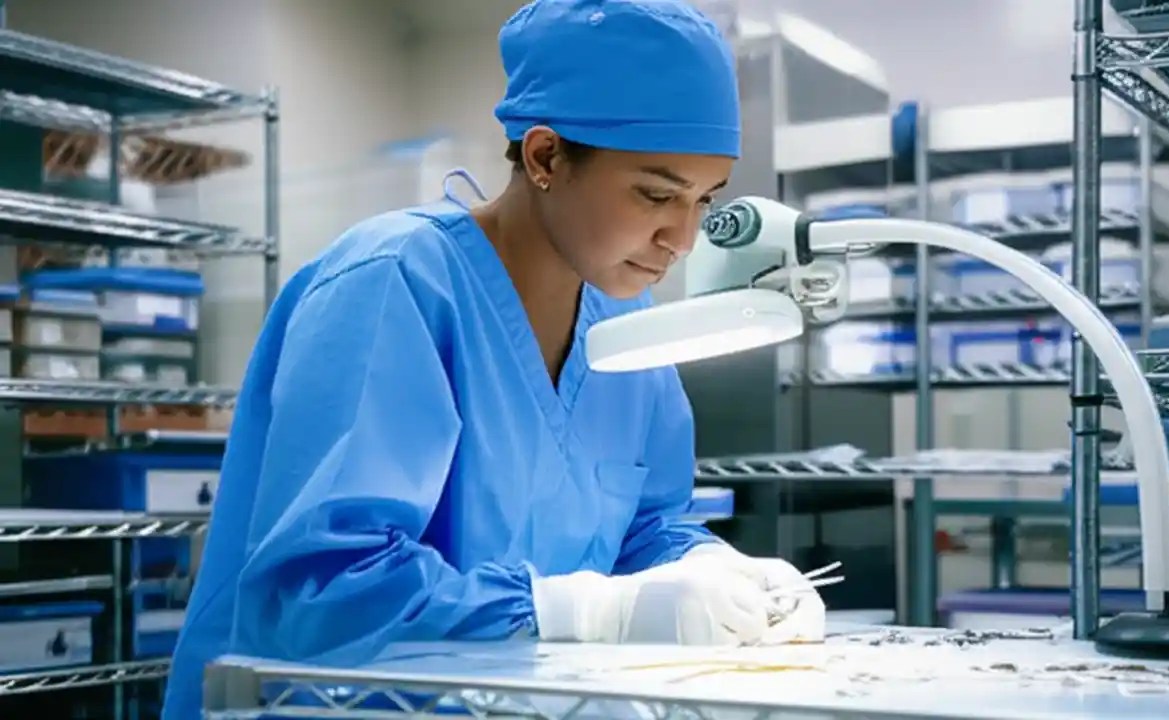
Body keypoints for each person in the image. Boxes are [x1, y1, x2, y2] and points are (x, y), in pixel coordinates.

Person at [162, 1, 825, 716]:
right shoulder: (395, 285)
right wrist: (582, 612)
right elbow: (323, 596)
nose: (683, 239)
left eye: (705, 201)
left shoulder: (626, 321)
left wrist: (716, 571)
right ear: (545, 157)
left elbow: (646, 528)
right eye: (656, 194)